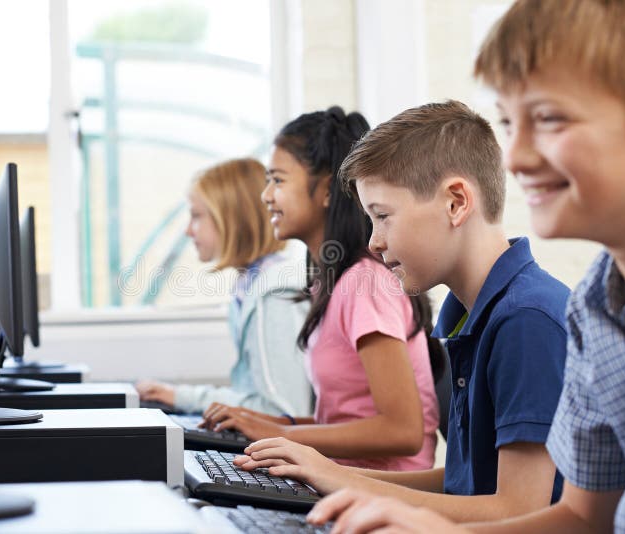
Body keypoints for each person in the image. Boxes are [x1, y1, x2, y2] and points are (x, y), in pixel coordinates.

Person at [305, 1, 625, 531]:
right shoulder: (597, 306)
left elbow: (520, 504)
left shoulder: (531, 317)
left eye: (548, 119)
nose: (515, 156)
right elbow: (582, 520)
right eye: (506, 121)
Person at [237, 100, 571, 524]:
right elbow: (462, 481)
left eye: (382, 217)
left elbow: (519, 511)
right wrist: (331, 475)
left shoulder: (526, 320)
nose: (374, 242)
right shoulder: (471, 314)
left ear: (455, 203)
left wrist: (343, 480)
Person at [202, 106, 443, 471]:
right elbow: (345, 423)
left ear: (328, 190)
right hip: (342, 479)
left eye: (278, 180)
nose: (266, 195)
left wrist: (281, 435)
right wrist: (273, 425)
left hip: (382, 493)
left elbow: (404, 430)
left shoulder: (365, 283)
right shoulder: (331, 283)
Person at [137, 158, 313, 417]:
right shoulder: (250, 284)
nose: (187, 230)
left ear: (232, 219)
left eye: (197, 216)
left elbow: (282, 411)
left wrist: (182, 397)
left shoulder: (272, 294)